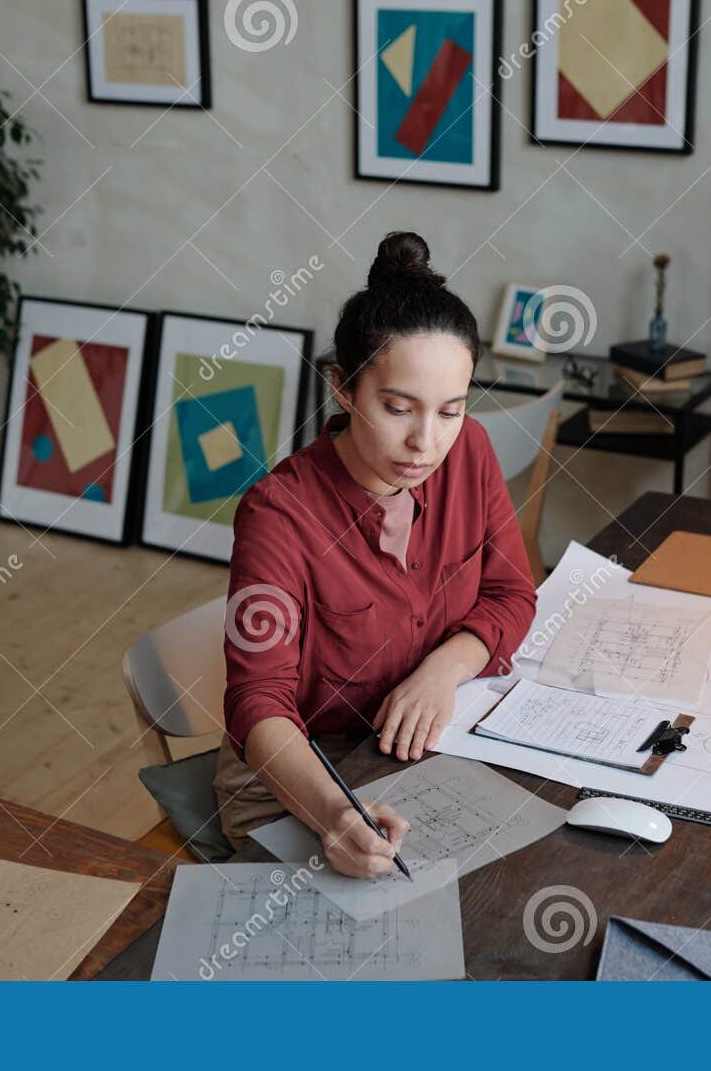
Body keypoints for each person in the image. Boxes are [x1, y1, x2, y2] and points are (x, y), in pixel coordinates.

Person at [216, 231, 538, 878]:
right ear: (344, 388)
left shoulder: (469, 450)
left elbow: (511, 593)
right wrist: (336, 816)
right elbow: (259, 703)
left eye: (450, 410)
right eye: (397, 408)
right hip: (306, 777)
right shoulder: (279, 513)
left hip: (415, 748)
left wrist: (442, 670)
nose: (426, 442)